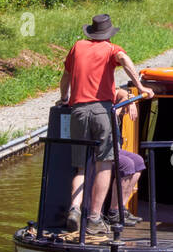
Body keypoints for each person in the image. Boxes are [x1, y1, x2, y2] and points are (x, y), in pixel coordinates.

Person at [58, 14, 153, 234]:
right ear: (108, 35)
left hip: (78, 111)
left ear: (91, 32)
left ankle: (74, 208)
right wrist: (140, 87)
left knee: (81, 167)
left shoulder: (77, 47)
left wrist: (64, 98)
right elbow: (125, 60)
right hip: (101, 111)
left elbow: (65, 78)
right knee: (105, 165)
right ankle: (93, 218)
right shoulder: (111, 49)